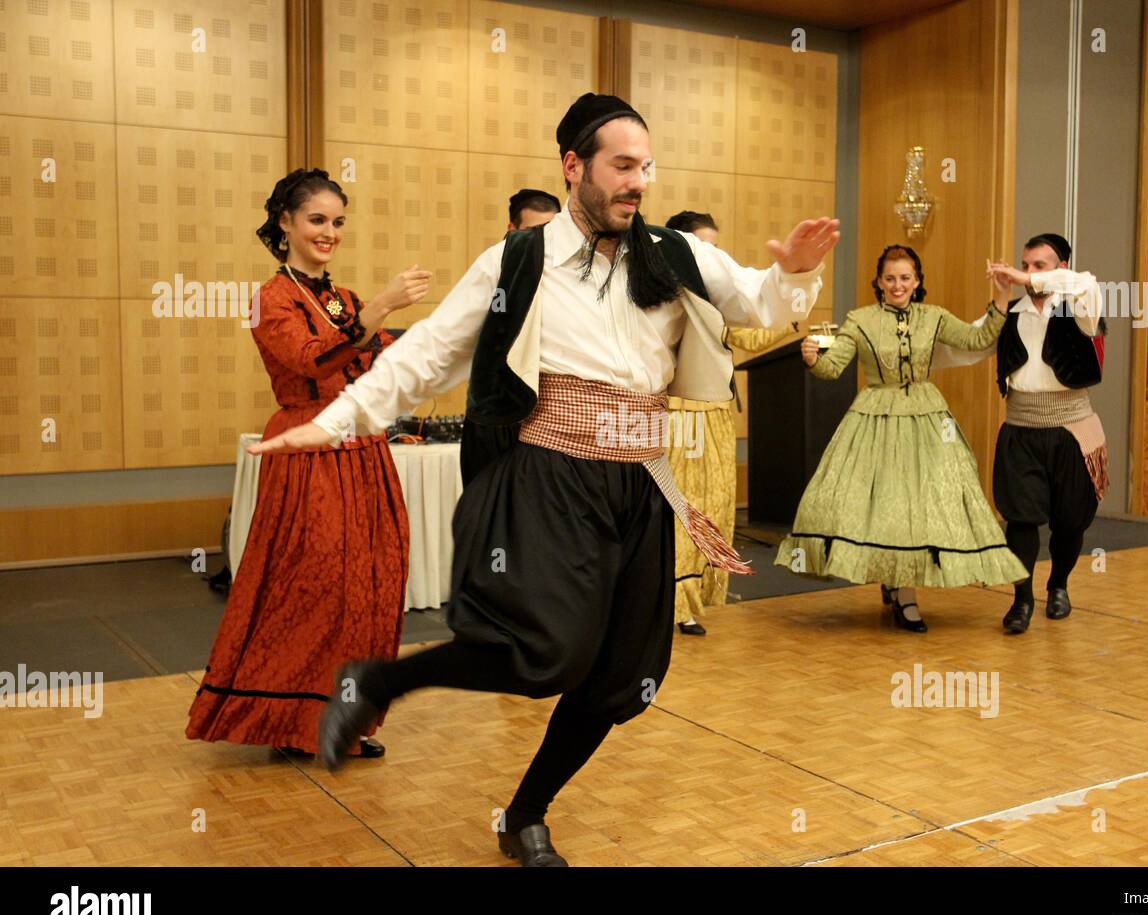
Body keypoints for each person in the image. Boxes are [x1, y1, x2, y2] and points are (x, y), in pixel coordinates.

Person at [247, 93, 838, 866]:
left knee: (624, 676)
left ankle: (524, 814)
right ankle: (383, 683)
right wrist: (336, 422)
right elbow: (429, 352)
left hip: (640, 482)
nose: (638, 183)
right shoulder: (517, 261)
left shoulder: (670, 252)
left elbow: (760, 299)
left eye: (646, 168)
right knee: (551, 654)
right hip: (551, 477)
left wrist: (795, 270)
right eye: (623, 167)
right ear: (574, 167)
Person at [185, 169, 430, 757]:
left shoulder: (344, 300)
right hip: (309, 449)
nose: (329, 232)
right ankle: (289, 722)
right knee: (312, 583)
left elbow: (388, 363)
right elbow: (312, 360)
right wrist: (383, 311)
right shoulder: (270, 298)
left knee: (367, 584)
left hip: (361, 450)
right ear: (285, 223)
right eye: (317, 220)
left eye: (338, 222)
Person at [775, 244, 1026, 632]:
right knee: (882, 504)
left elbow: (977, 341)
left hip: (926, 416)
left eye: (905, 278)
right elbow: (832, 368)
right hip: (874, 417)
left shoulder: (934, 317)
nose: (897, 285)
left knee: (920, 502)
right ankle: (898, 587)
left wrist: (1001, 296)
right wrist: (812, 359)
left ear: (917, 281)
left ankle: (903, 589)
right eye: (890, 278)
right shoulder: (859, 320)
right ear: (878, 281)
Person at [662, 210, 794, 635]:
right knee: (680, 509)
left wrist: (788, 313)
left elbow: (748, 337)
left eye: (717, 247)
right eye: (707, 247)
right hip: (679, 415)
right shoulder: (664, 295)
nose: (716, 256)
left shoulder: (719, 302)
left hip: (717, 415)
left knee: (715, 506)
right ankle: (672, 601)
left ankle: (698, 596)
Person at [978, 235, 1106, 633]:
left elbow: (1087, 283)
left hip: (1072, 430)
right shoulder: (1009, 312)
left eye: (1039, 266)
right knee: (1020, 519)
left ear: (1062, 268)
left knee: (1070, 522)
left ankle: (1059, 585)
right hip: (1021, 429)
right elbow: (971, 343)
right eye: (1025, 265)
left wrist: (1027, 280)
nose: (1028, 274)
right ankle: (1021, 600)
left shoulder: (1082, 305)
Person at [459, 188, 564, 487]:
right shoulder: (495, 270)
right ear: (512, 231)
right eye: (532, 232)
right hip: (496, 418)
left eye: (549, 233)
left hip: (547, 418)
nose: (540, 242)